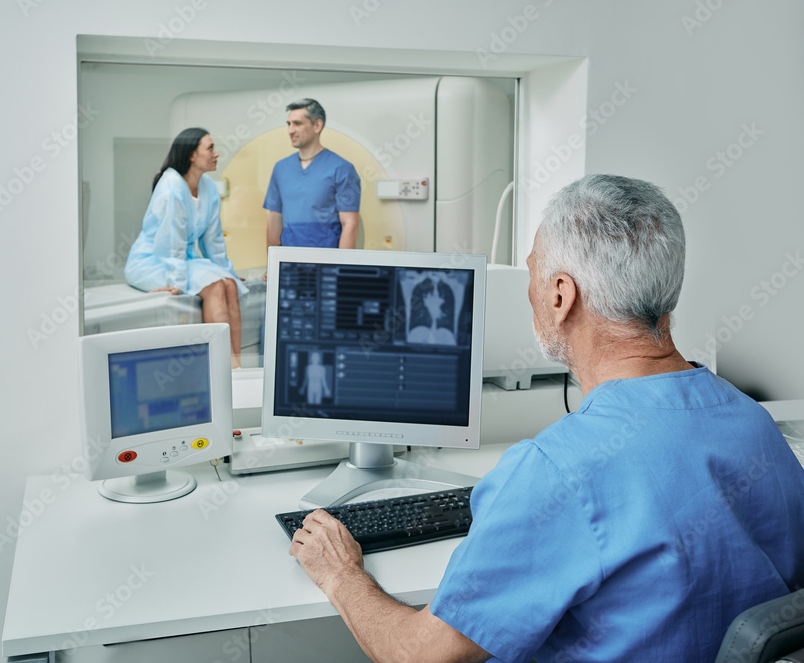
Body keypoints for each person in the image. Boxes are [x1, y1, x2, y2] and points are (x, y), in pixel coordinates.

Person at [288, 174, 804, 662]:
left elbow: (420, 654)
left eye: (532, 273)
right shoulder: (753, 423)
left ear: (561, 295)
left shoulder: (557, 469)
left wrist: (340, 574)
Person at [125, 127, 247, 366]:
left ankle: (236, 366)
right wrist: (177, 282)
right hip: (152, 261)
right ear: (192, 154)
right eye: (210, 148)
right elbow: (171, 242)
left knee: (229, 284)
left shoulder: (208, 186)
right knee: (214, 286)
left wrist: (226, 271)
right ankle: (224, 367)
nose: (216, 154)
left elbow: (213, 239)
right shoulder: (171, 185)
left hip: (182, 258)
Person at [264, 98, 361, 250]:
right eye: (289, 124)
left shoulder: (342, 168)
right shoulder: (281, 168)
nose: (290, 130)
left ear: (317, 125)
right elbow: (274, 218)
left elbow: (350, 223)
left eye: (297, 123)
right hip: (288, 258)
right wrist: (272, 261)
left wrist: (341, 264)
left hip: (326, 259)